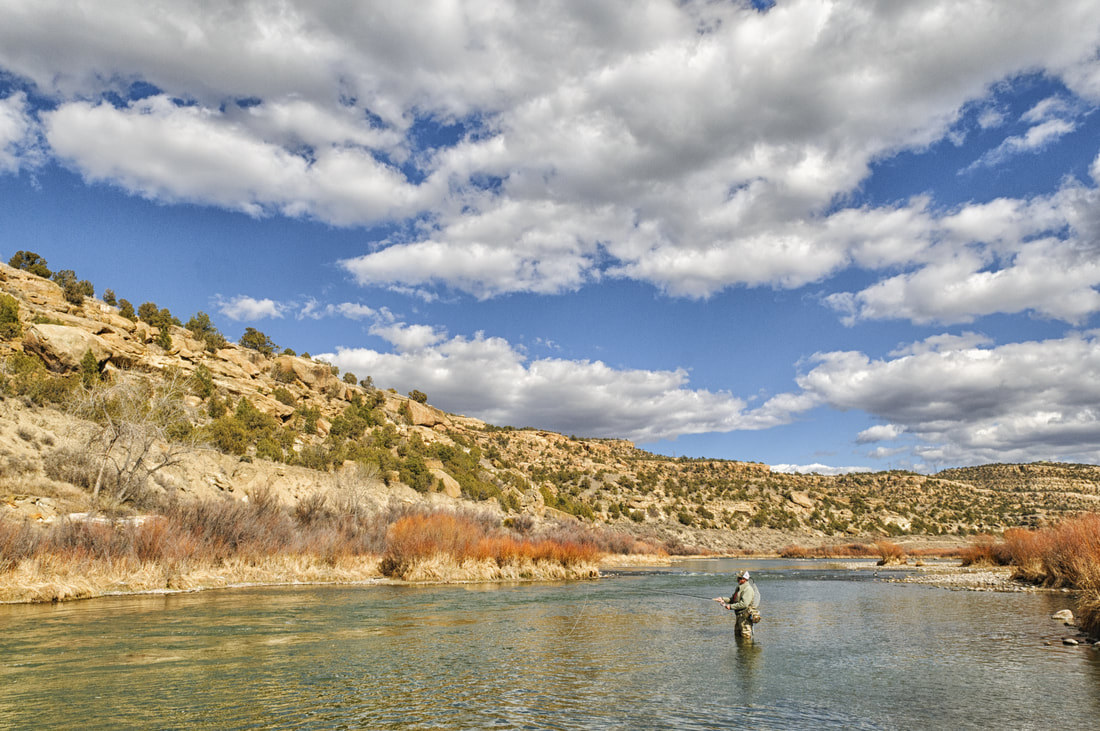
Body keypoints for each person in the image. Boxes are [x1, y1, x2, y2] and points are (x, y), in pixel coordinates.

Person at [713, 570, 758, 638]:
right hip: (738, 616)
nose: (737, 579)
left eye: (739, 578)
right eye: (738, 578)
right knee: (737, 636)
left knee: (745, 638)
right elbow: (733, 600)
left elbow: (744, 604)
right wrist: (722, 599)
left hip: (745, 618)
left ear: (744, 579)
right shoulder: (739, 587)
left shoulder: (748, 589)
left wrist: (730, 606)